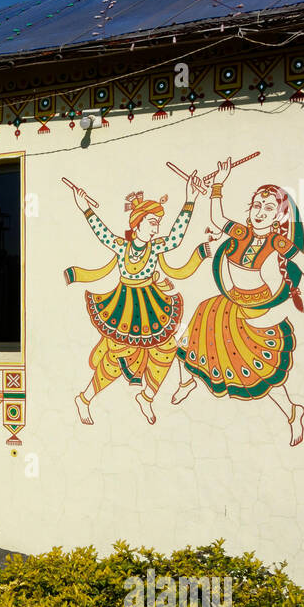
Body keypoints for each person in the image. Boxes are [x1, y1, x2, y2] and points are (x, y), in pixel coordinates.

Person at [172, 157, 304, 446]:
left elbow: (303, 261)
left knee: (258, 369)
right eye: (256, 205)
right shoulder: (240, 232)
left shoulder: (277, 243)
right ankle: (186, 381)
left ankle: (292, 412)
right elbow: (217, 218)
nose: (260, 212)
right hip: (227, 305)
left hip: (257, 313)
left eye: (268, 209)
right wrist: (219, 182)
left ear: (278, 216)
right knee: (188, 336)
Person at [65, 169, 203, 425]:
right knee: (117, 357)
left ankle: (149, 396)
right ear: (137, 224)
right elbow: (101, 232)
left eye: (158, 224)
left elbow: (176, 238)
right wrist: (84, 207)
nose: (156, 228)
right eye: (152, 223)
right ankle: (84, 399)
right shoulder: (121, 246)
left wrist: (190, 200)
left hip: (153, 304)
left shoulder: (156, 246)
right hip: (125, 307)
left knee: (172, 344)